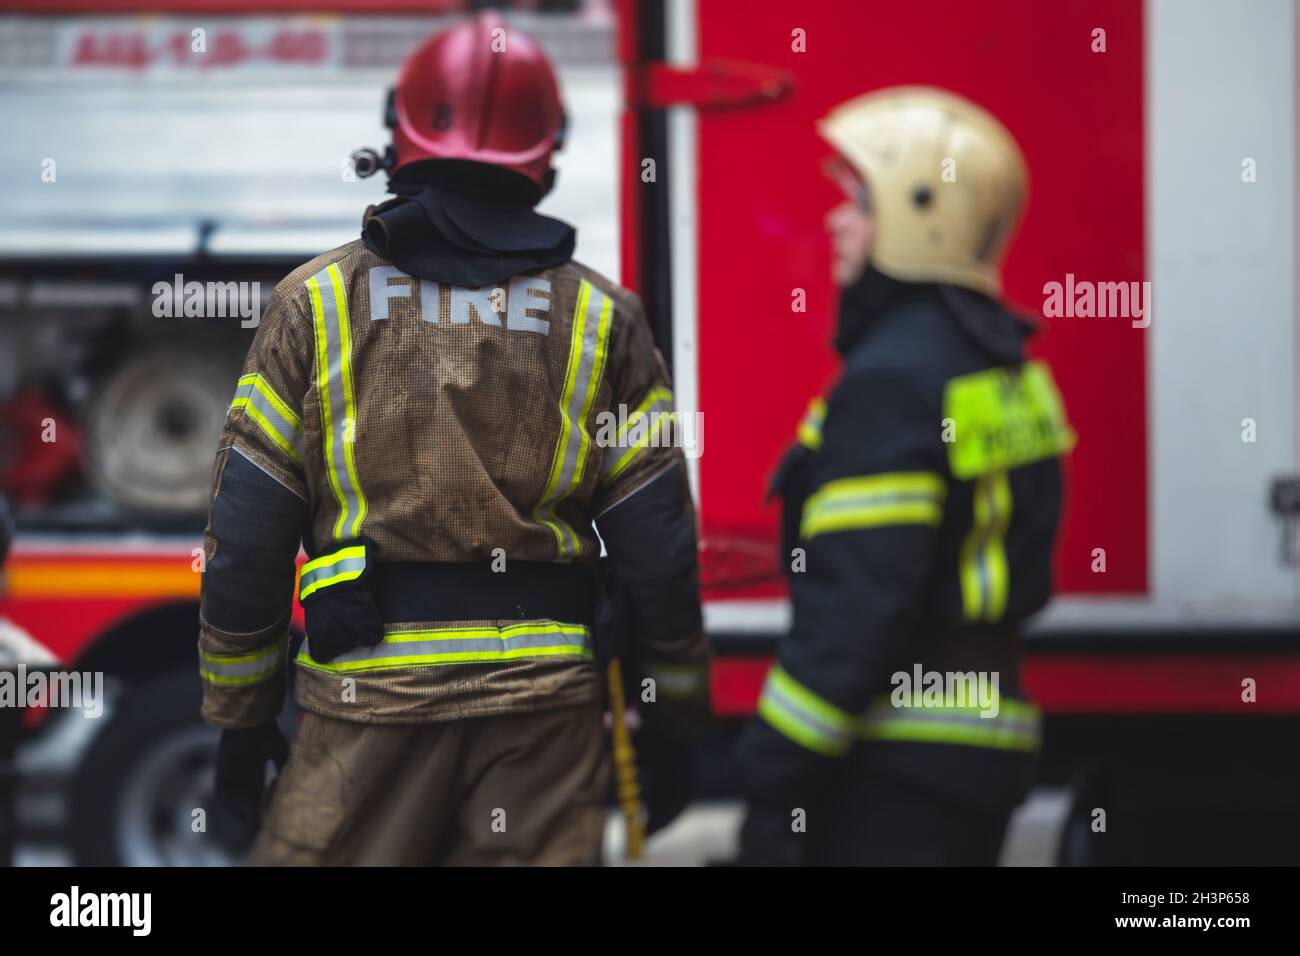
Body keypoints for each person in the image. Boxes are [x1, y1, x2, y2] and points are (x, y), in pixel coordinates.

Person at [199, 11, 708, 866]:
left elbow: (248, 542)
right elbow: (659, 549)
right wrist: (675, 722)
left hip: (367, 709)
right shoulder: (602, 319)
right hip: (545, 725)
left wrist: (240, 731)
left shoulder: (314, 306)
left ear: (398, 134)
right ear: (543, 155)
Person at [737, 87, 1073, 866]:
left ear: (922, 212)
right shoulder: (999, 365)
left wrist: (771, 769)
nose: (836, 220)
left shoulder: (892, 380)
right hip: (979, 755)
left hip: (895, 768)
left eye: (858, 200)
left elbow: (858, 613)